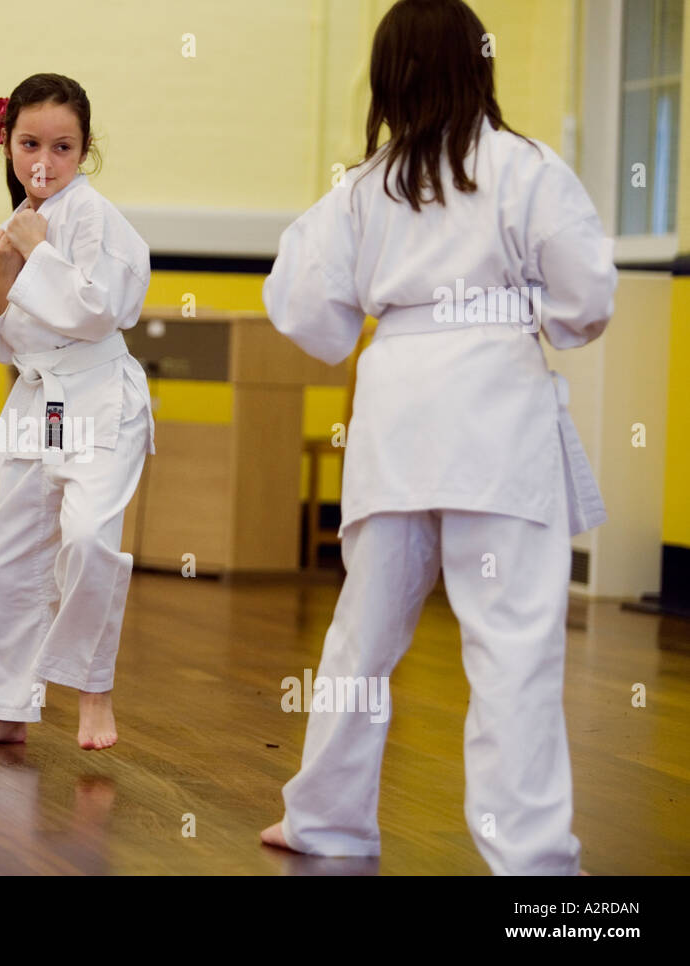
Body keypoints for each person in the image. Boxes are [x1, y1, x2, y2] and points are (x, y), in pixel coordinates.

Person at [258, 0, 617, 875]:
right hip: (496, 416)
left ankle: (326, 824)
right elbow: (588, 301)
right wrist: (518, 310)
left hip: (398, 416)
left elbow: (307, 309)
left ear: (388, 77)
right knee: (513, 645)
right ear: (480, 64)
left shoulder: (361, 185)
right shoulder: (526, 167)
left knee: (363, 634)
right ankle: (531, 863)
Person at [0, 74, 154, 751]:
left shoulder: (95, 218)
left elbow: (97, 311)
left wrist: (34, 251)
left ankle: (94, 690)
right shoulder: (18, 225)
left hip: (97, 397)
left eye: (62, 147)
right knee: (10, 557)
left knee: (90, 538)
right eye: (30, 143)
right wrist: (6, 274)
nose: (44, 161)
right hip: (41, 403)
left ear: (84, 150)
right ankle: (9, 707)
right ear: (7, 146)